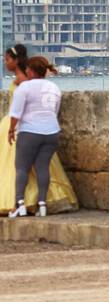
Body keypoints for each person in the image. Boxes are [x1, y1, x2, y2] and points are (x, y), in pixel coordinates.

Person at [6, 56, 65, 219]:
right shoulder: (54, 87)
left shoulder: (25, 88)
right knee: (42, 168)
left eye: (27, 70)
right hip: (52, 132)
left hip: (30, 131)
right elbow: (55, 110)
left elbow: (16, 112)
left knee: (22, 168)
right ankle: (42, 204)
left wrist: (11, 130)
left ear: (30, 71)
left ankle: (19, 204)